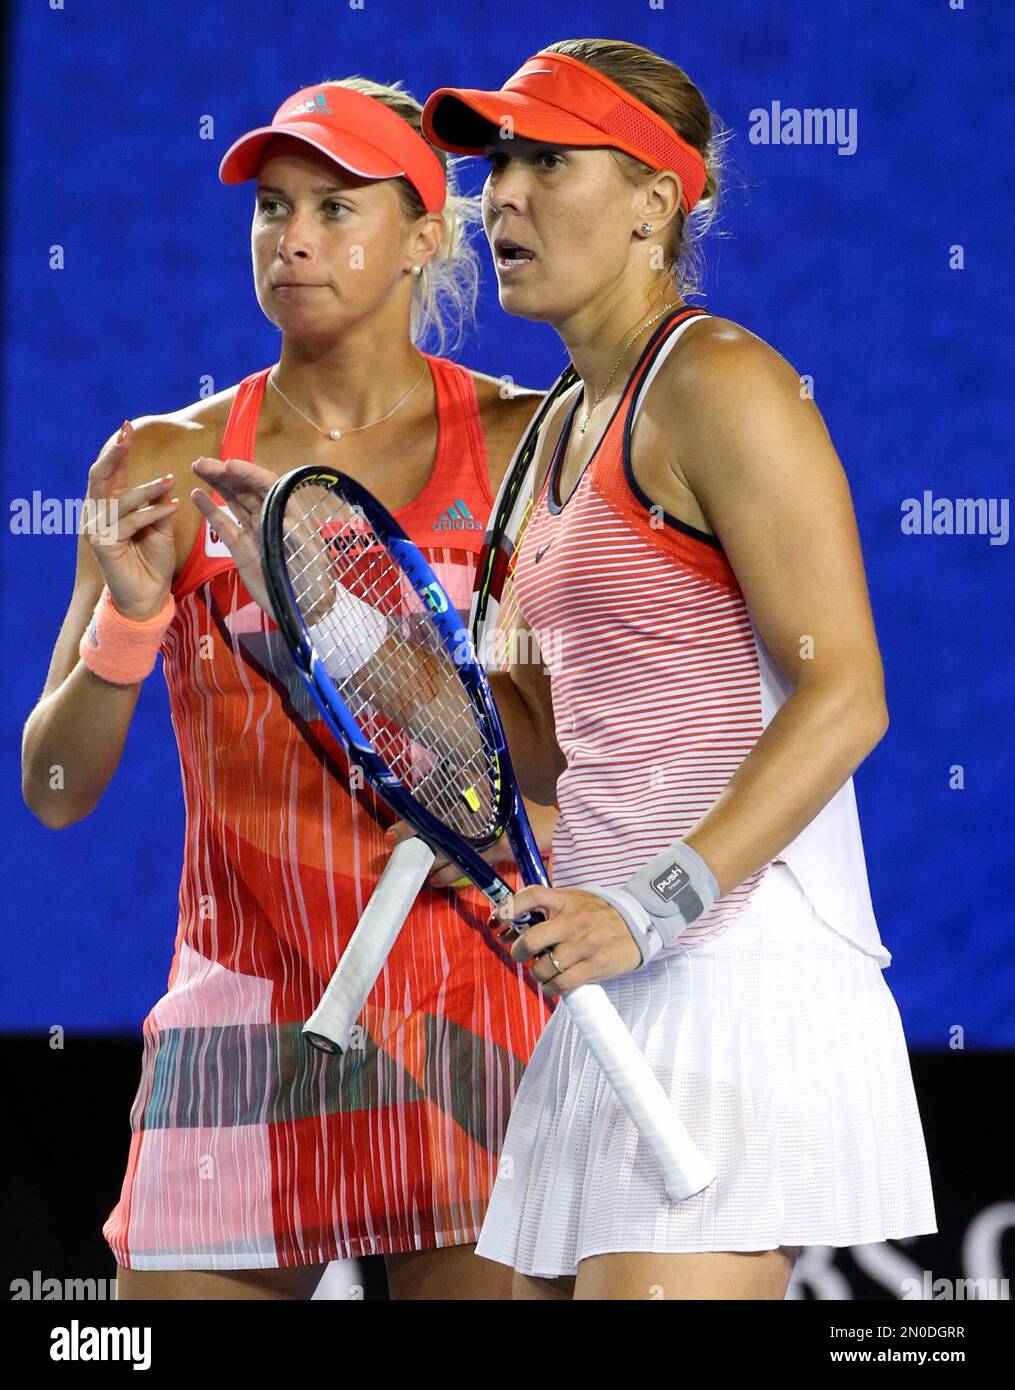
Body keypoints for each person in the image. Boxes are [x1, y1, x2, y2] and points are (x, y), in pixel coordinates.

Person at [417, 38, 938, 1300]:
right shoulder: (549, 429)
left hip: (730, 968)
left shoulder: (720, 381)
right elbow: (544, 746)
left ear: (660, 199)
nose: (504, 195)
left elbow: (846, 692)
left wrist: (646, 904)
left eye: (550, 160)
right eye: (498, 164)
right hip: (614, 981)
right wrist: (370, 641)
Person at [21, 77, 555, 1301]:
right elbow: (53, 786)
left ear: (427, 236)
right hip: (242, 1011)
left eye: (334, 205)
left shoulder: (526, 446)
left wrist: (348, 609)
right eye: (271, 206)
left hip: (472, 996)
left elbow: (544, 761)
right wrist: (131, 615)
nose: (294, 236)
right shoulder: (156, 457)